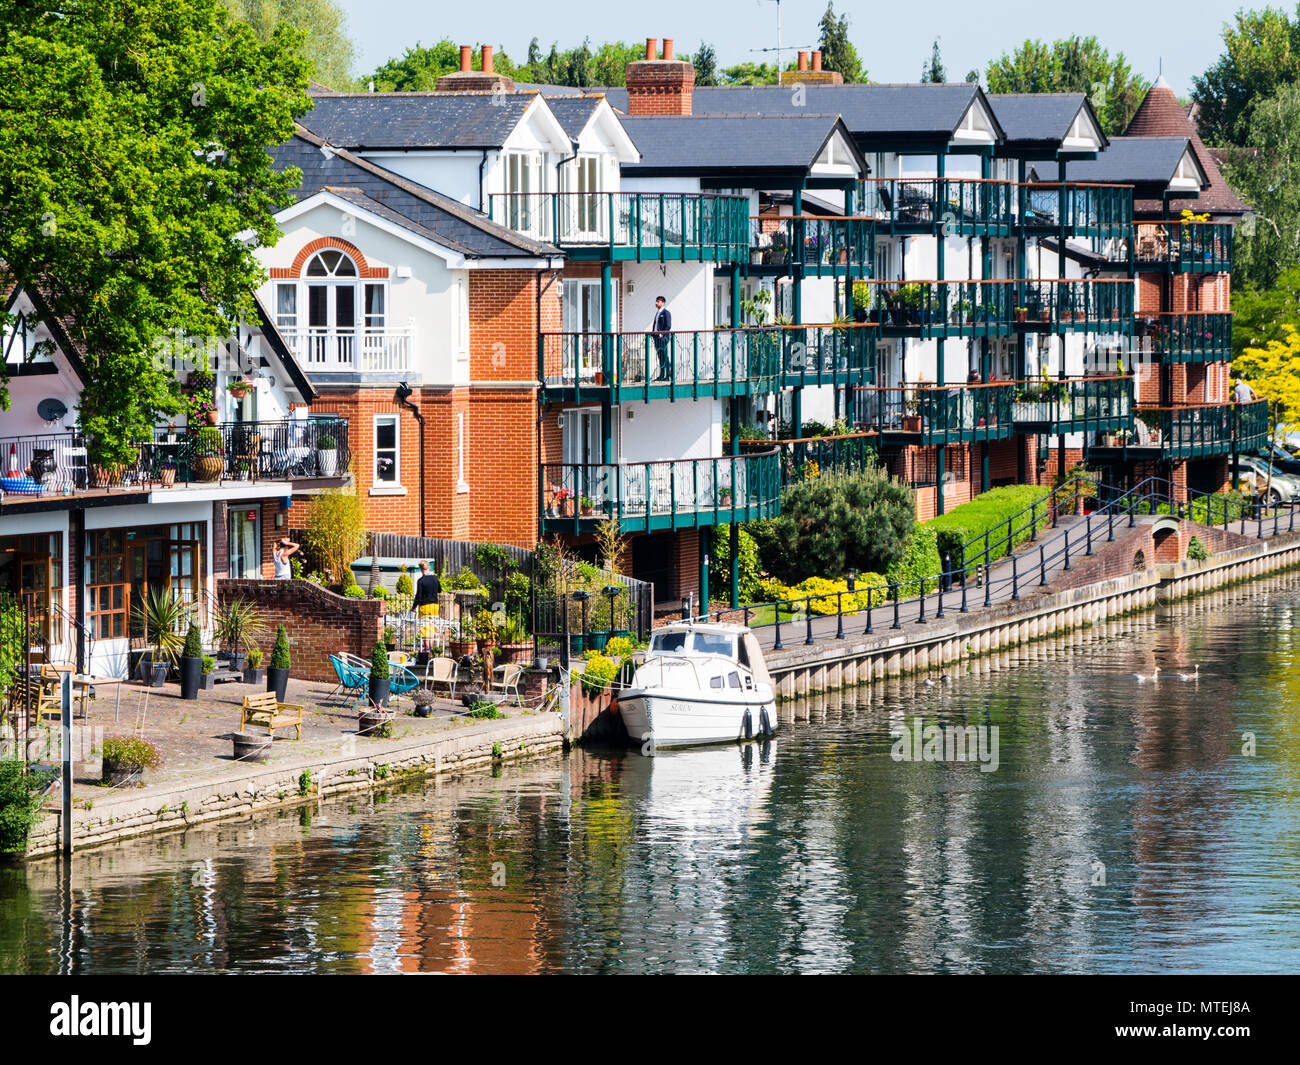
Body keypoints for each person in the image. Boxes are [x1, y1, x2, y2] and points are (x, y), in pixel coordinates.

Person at [650, 296, 672, 381]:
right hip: (656, 337)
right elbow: (656, 325)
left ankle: (668, 375)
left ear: (663, 303)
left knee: (664, 356)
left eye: (658, 301)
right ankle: (662, 375)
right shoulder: (658, 313)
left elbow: (668, 325)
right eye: (656, 301)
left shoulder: (666, 313)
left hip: (662, 338)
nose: (656, 303)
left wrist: (661, 334)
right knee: (660, 356)